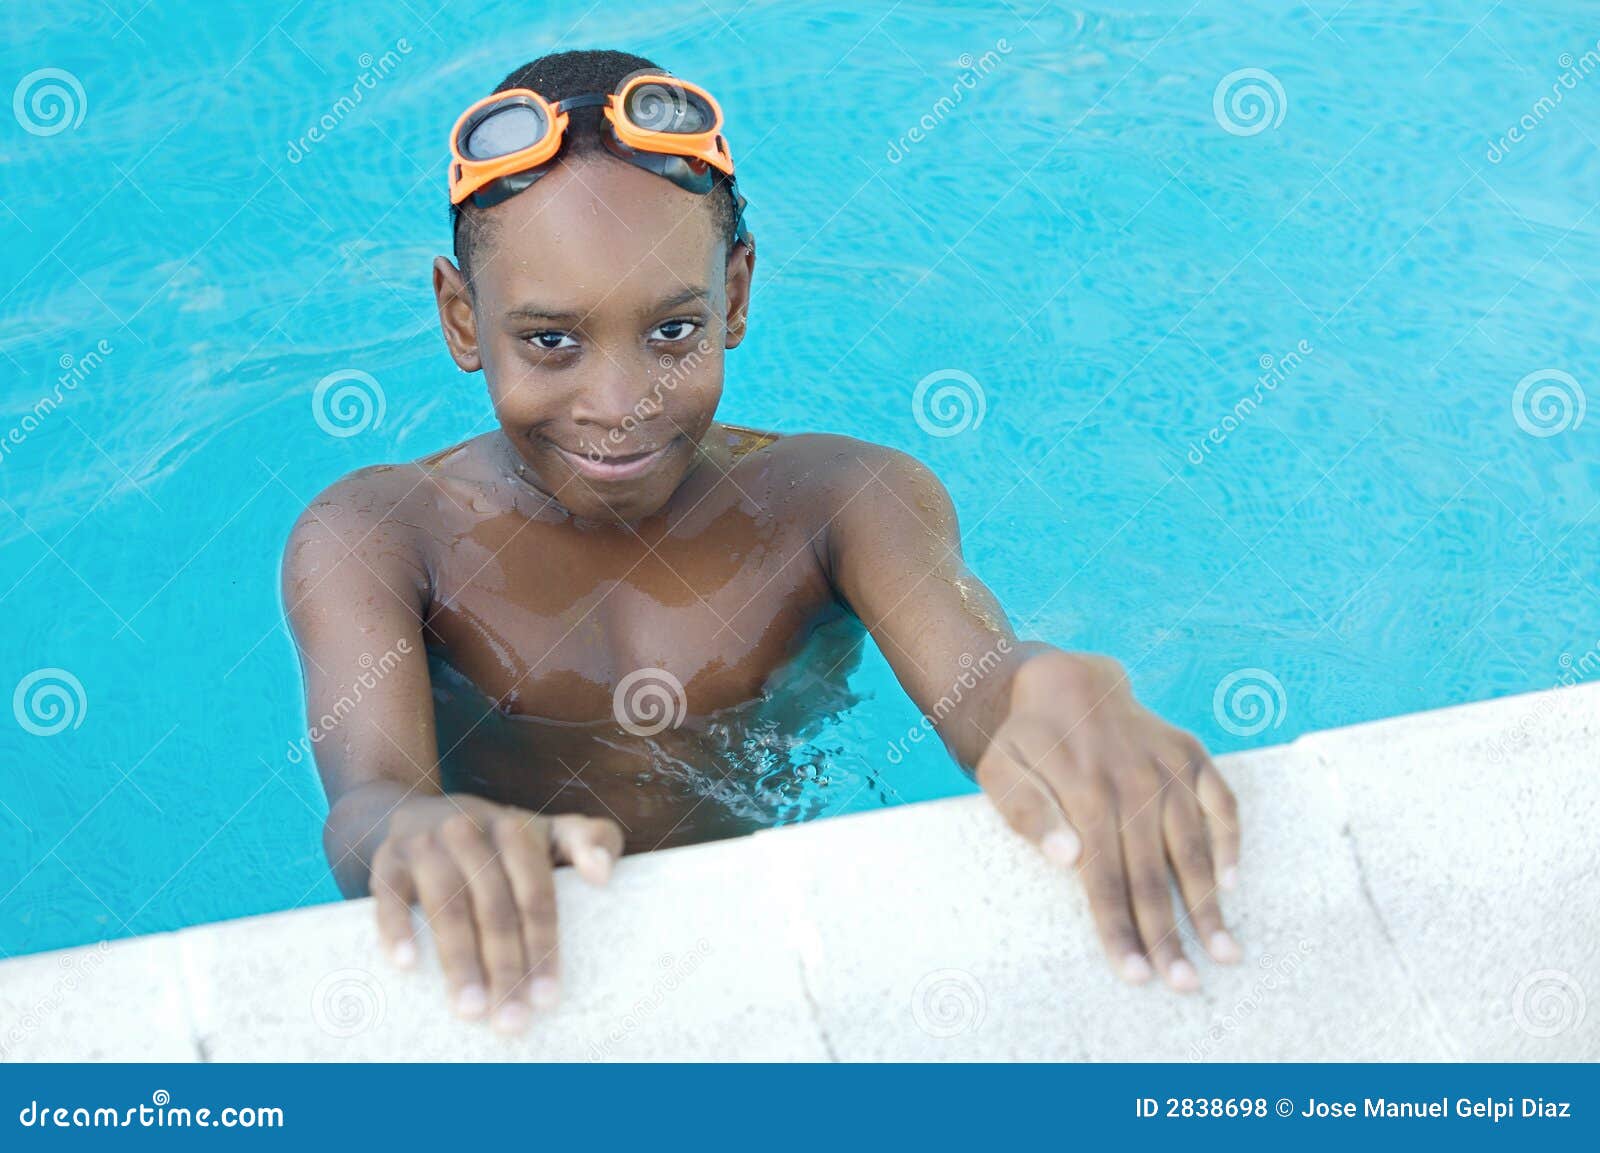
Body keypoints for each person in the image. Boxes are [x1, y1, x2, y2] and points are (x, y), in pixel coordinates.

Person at [283, 49, 1242, 1036]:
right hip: (533, 991)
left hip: (773, 946)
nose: (620, 406)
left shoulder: (837, 503)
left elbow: (984, 688)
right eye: (551, 342)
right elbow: (369, 802)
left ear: (735, 296)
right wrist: (416, 829)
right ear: (459, 317)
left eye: (671, 332)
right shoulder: (377, 536)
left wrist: (1050, 689)